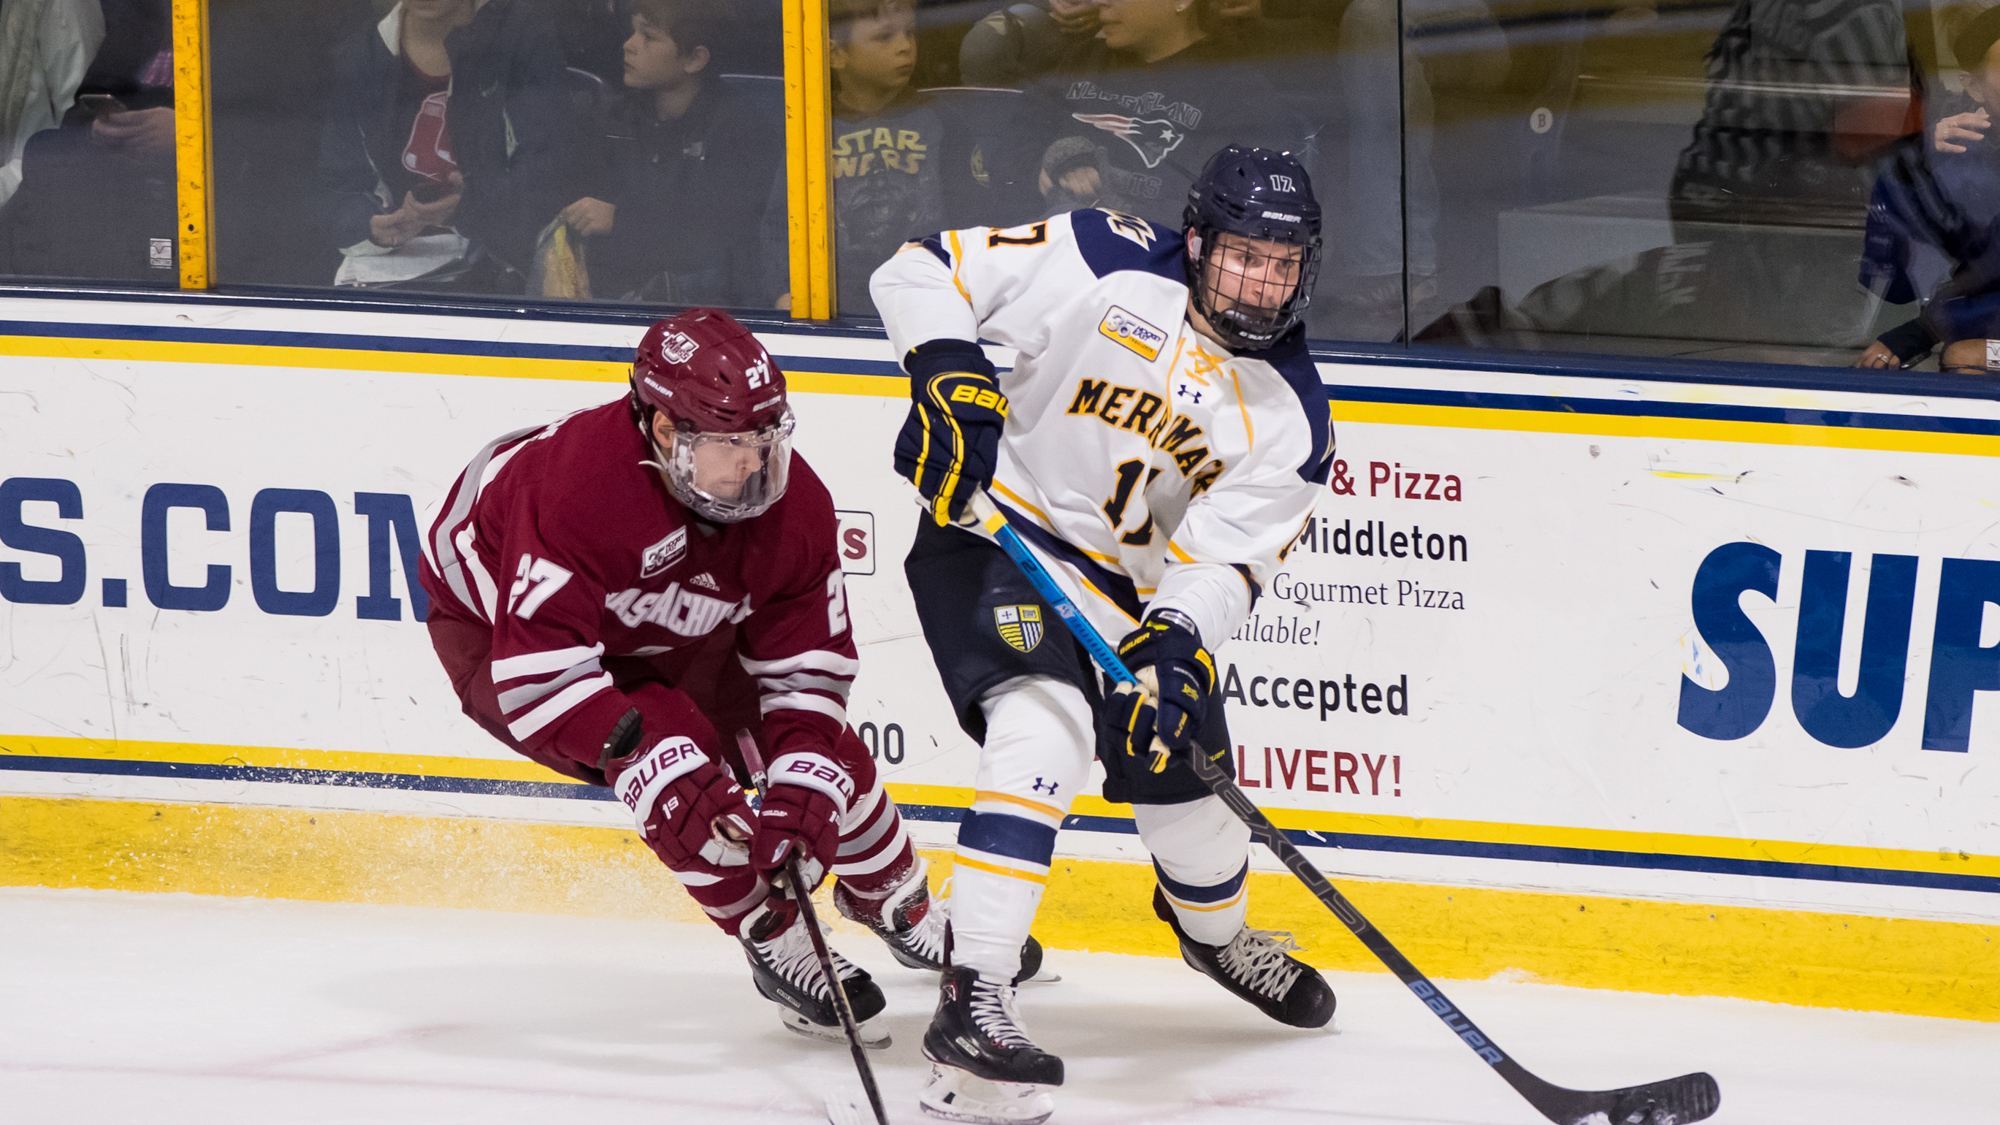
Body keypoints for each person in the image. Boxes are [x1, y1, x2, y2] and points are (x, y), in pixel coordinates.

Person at [417, 308, 1039, 1045]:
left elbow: (808, 674)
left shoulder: (793, 508)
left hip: (668, 613)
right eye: (728, 446)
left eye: (764, 441)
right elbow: (538, 673)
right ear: (663, 431)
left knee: (823, 760)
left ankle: (895, 900)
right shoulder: (578, 490)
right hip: (502, 634)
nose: (752, 466)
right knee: (674, 773)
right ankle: (773, 931)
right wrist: (632, 749)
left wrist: (802, 785)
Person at [871, 145, 1338, 1124]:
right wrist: (950, 376)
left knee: (1196, 811)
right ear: (1197, 240)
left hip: (1132, 607)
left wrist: (1175, 644)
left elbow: (1224, 566)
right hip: (998, 530)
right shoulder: (1099, 254)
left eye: (1281, 263)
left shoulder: (1292, 415)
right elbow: (915, 268)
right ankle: (975, 996)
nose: (1260, 282)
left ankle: (1213, 936)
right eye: (1241, 256)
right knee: (1044, 727)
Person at [317, 0, 579, 291]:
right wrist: (370, 226)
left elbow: (551, 171)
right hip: (391, 271)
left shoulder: (523, 39)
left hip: (502, 268)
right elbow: (336, 187)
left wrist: (472, 207)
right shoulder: (363, 55)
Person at [557, 0, 784, 304]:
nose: (629, 45)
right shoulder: (616, 118)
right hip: (619, 298)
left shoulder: (738, 128)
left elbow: (725, 239)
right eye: (632, 32)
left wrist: (622, 221)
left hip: (708, 309)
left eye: (648, 37)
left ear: (694, 59)